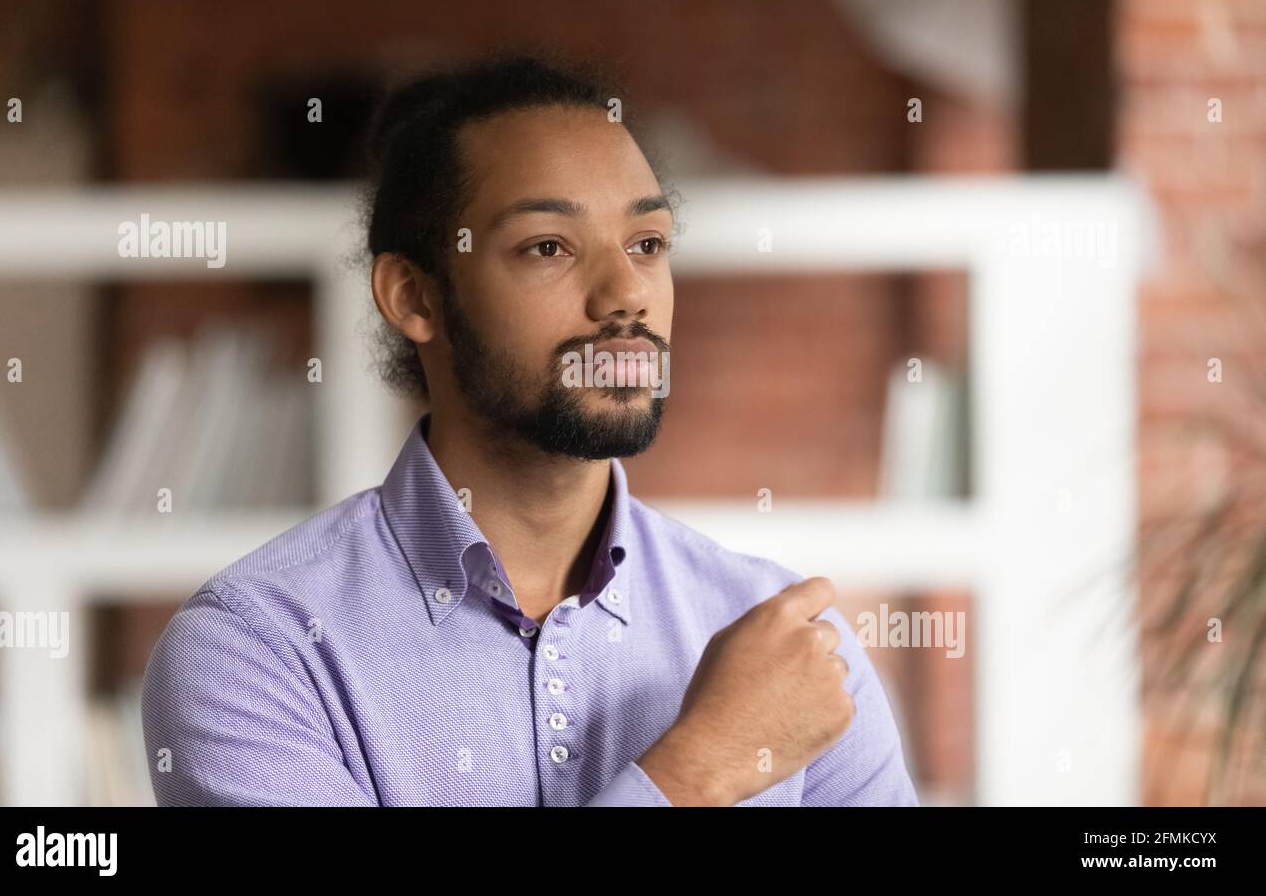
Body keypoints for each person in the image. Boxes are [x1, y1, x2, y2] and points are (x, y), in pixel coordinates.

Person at [141, 51, 919, 806]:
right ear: (414, 297)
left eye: (647, 245)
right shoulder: (256, 651)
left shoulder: (788, 642)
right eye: (549, 247)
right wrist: (699, 772)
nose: (626, 294)